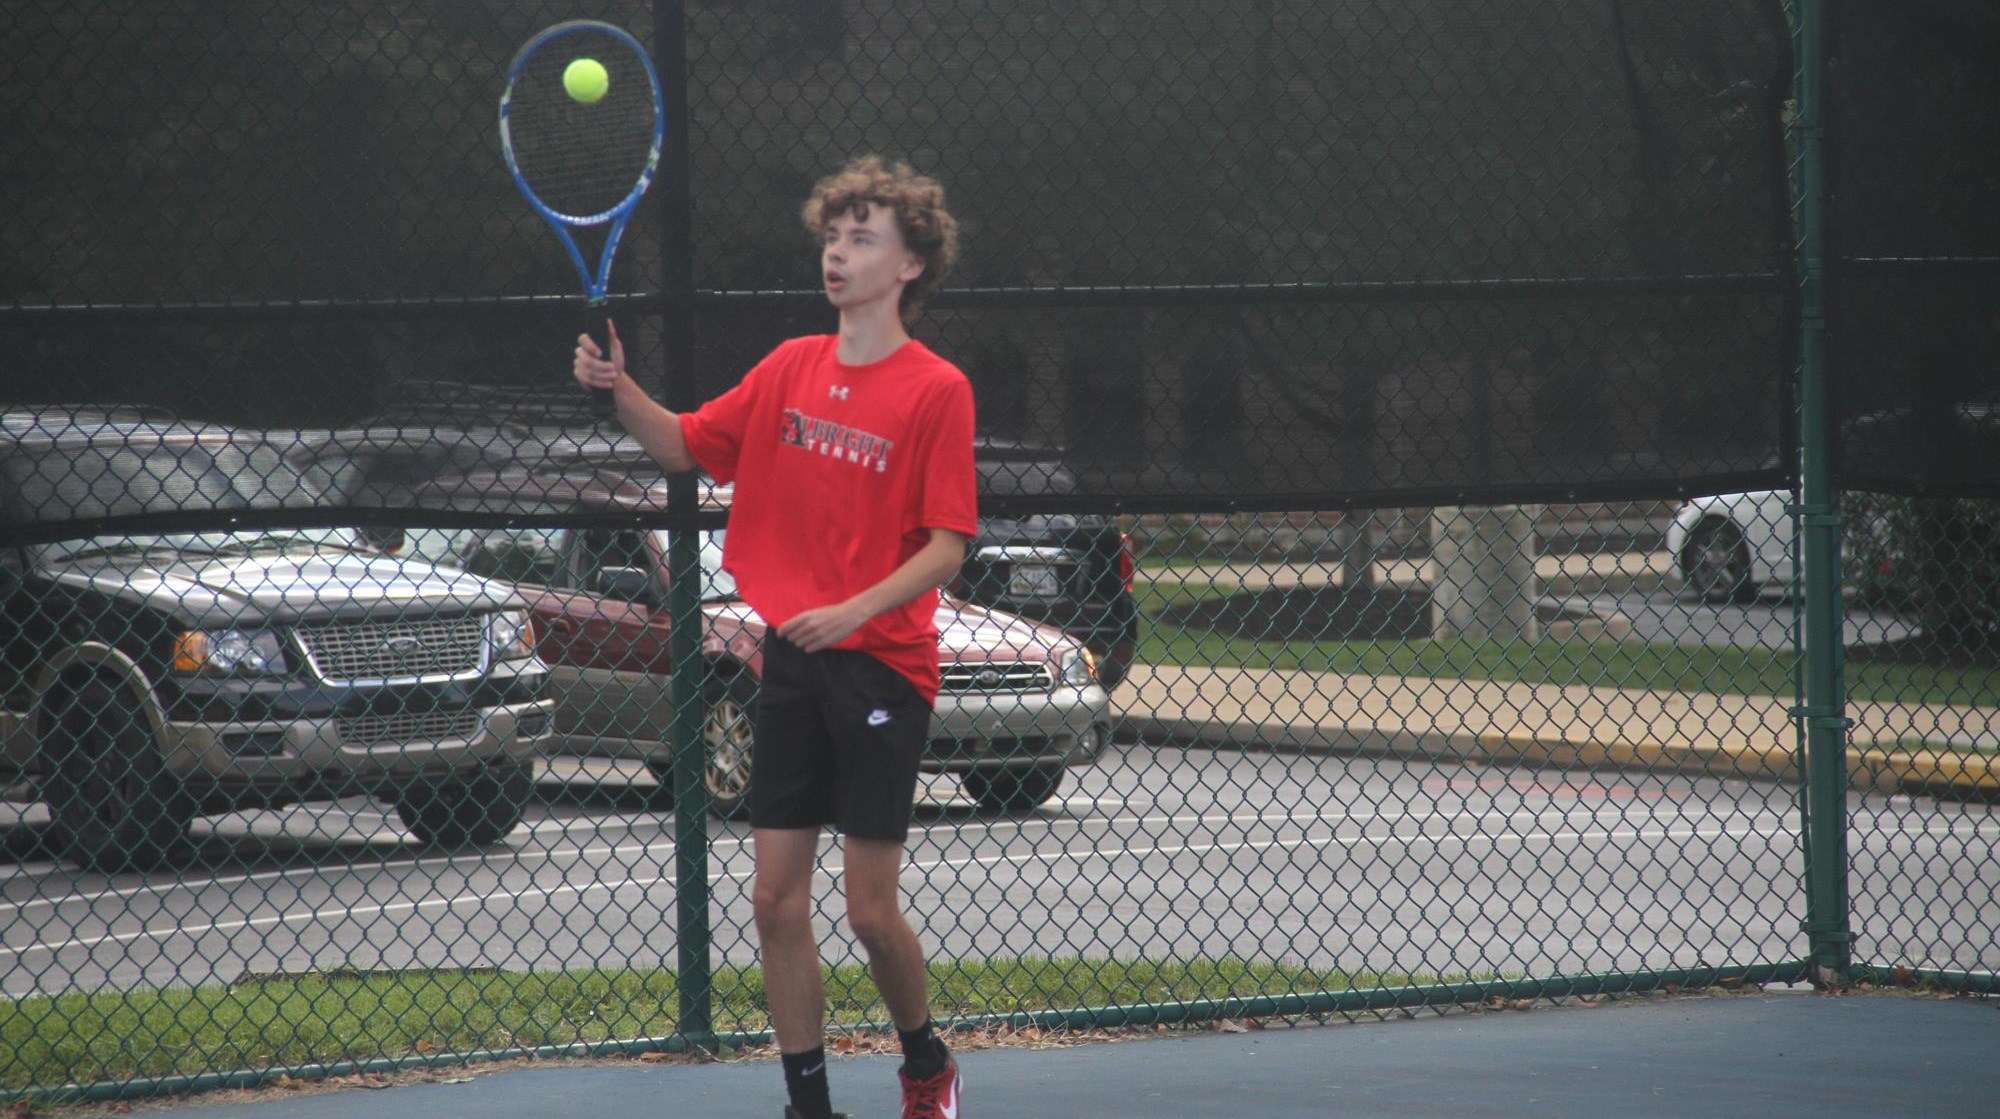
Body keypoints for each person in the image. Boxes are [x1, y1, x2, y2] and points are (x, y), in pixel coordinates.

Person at [572, 155, 972, 1119]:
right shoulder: (790, 367)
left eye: (863, 238)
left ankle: (927, 1066)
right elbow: (683, 445)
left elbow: (949, 546)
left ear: (910, 264)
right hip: (788, 660)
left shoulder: (936, 389)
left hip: (884, 664)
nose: (838, 254)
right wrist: (619, 387)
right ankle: (810, 1105)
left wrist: (857, 609)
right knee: (772, 902)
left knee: (870, 913)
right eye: (833, 236)